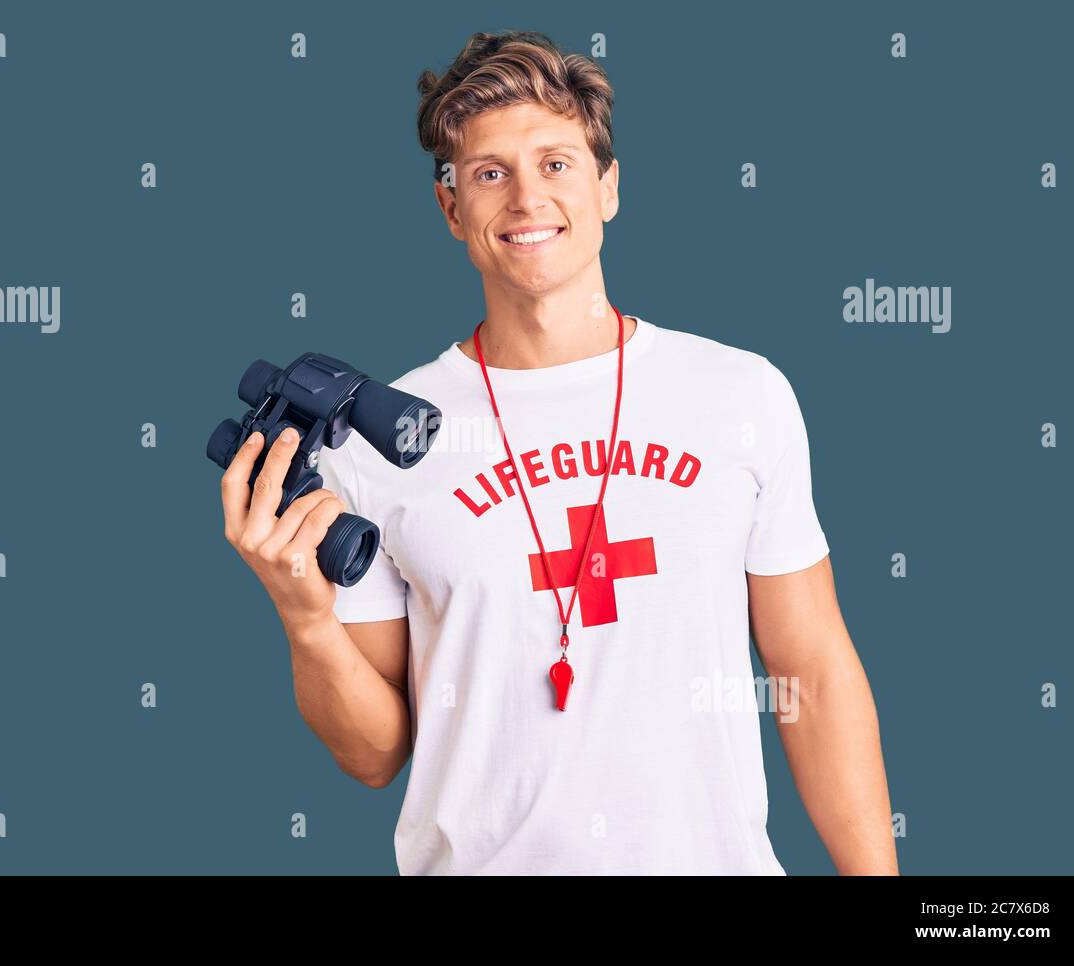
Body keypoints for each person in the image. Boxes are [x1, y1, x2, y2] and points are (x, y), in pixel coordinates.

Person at [220, 30, 898, 875]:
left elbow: (814, 670)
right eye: (489, 173)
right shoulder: (381, 441)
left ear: (608, 186)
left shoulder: (739, 394)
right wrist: (306, 618)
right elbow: (373, 755)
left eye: (556, 163)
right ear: (451, 206)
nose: (525, 199)